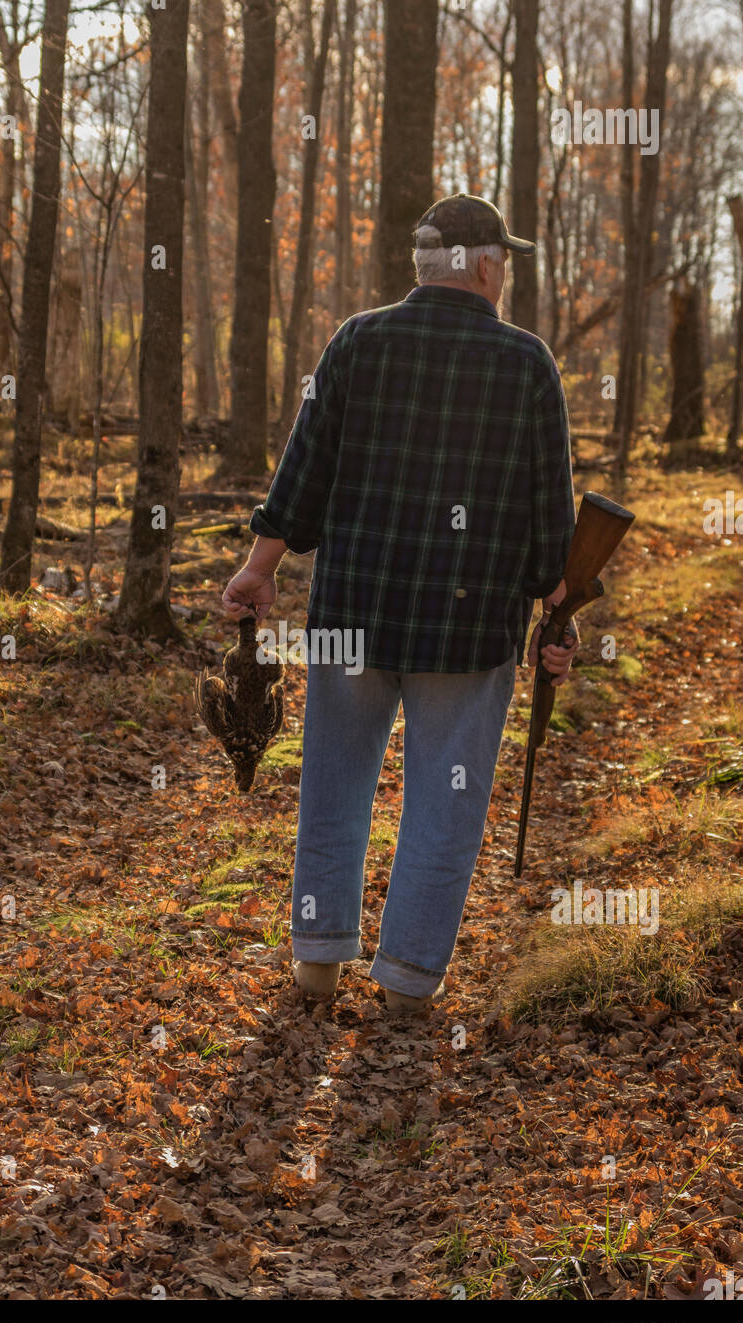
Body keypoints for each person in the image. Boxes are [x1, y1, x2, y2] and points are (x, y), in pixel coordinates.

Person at [222, 193, 579, 1014]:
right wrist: (555, 613)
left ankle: (317, 959)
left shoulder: (358, 340)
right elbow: (549, 519)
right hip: (469, 625)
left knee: (335, 783)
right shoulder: (527, 363)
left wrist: (258, 567)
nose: (508, 274)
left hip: (354, 610)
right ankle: (409, 981)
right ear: (485, 266)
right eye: (507, 261)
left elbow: (301, 474)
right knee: (445, 800)